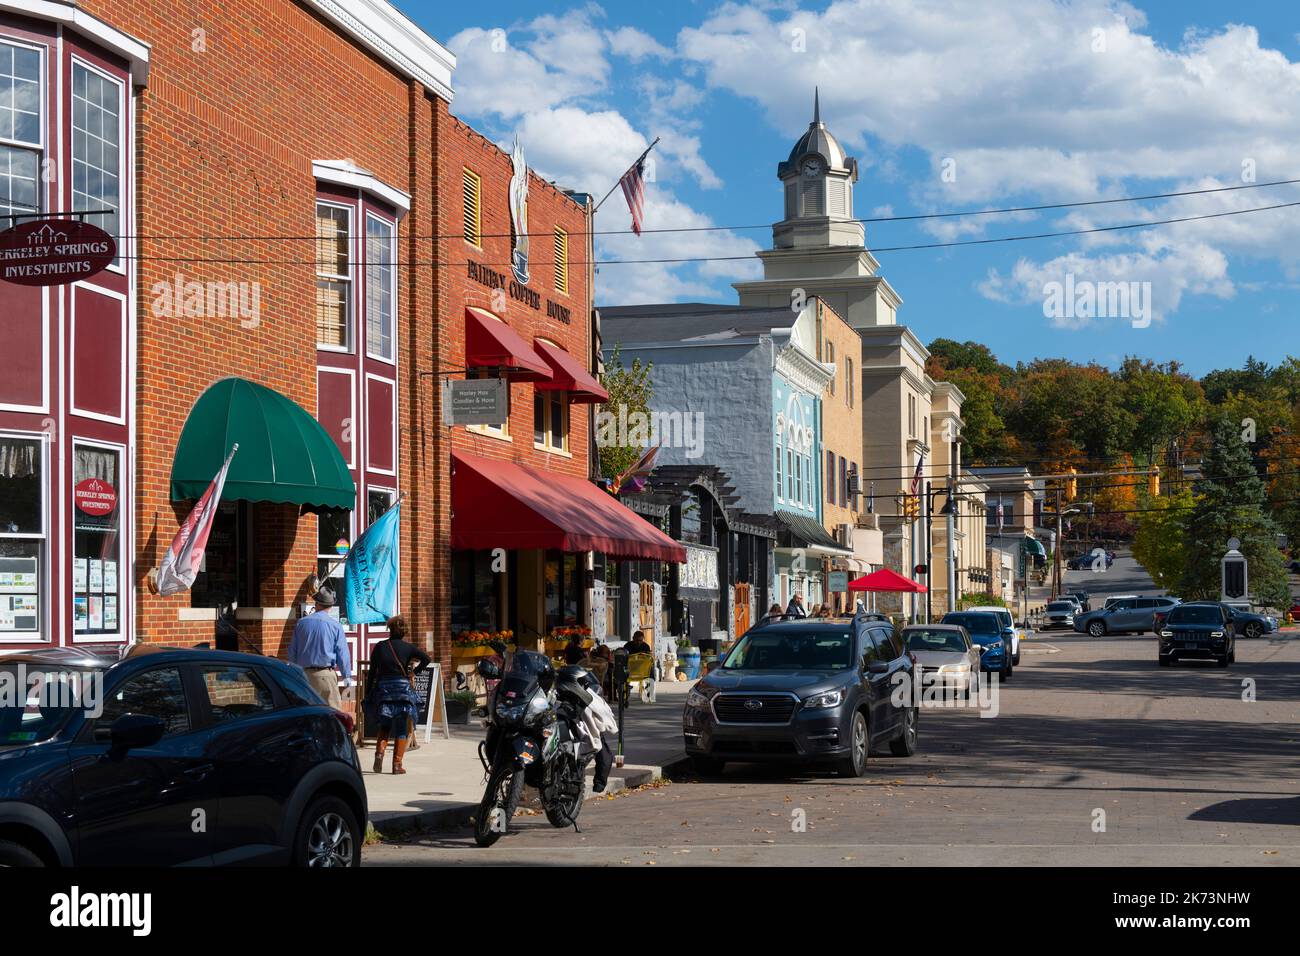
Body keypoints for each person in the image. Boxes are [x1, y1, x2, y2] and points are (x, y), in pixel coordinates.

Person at [366, 615, 430, 774]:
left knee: (385, 725)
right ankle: (396, 765)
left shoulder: (380, 647)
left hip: (384, 690)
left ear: (390, 630)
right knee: (401, 727)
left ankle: (379, 755)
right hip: (402, 690)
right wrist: (413, 672)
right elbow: (426, 659)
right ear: (404, 632)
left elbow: (373, 672)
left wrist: (368, 692)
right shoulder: (408, 648)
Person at [287, 587, 352, 708]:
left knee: (306, 713)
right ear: (330, 606)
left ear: (316, 604)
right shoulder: (335, 626)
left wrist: (293, 674)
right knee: (333, 715)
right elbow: (342, 653)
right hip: (326, 676)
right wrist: (346, 676)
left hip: (304, 675)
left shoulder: (301, 623)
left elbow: (292, 652)